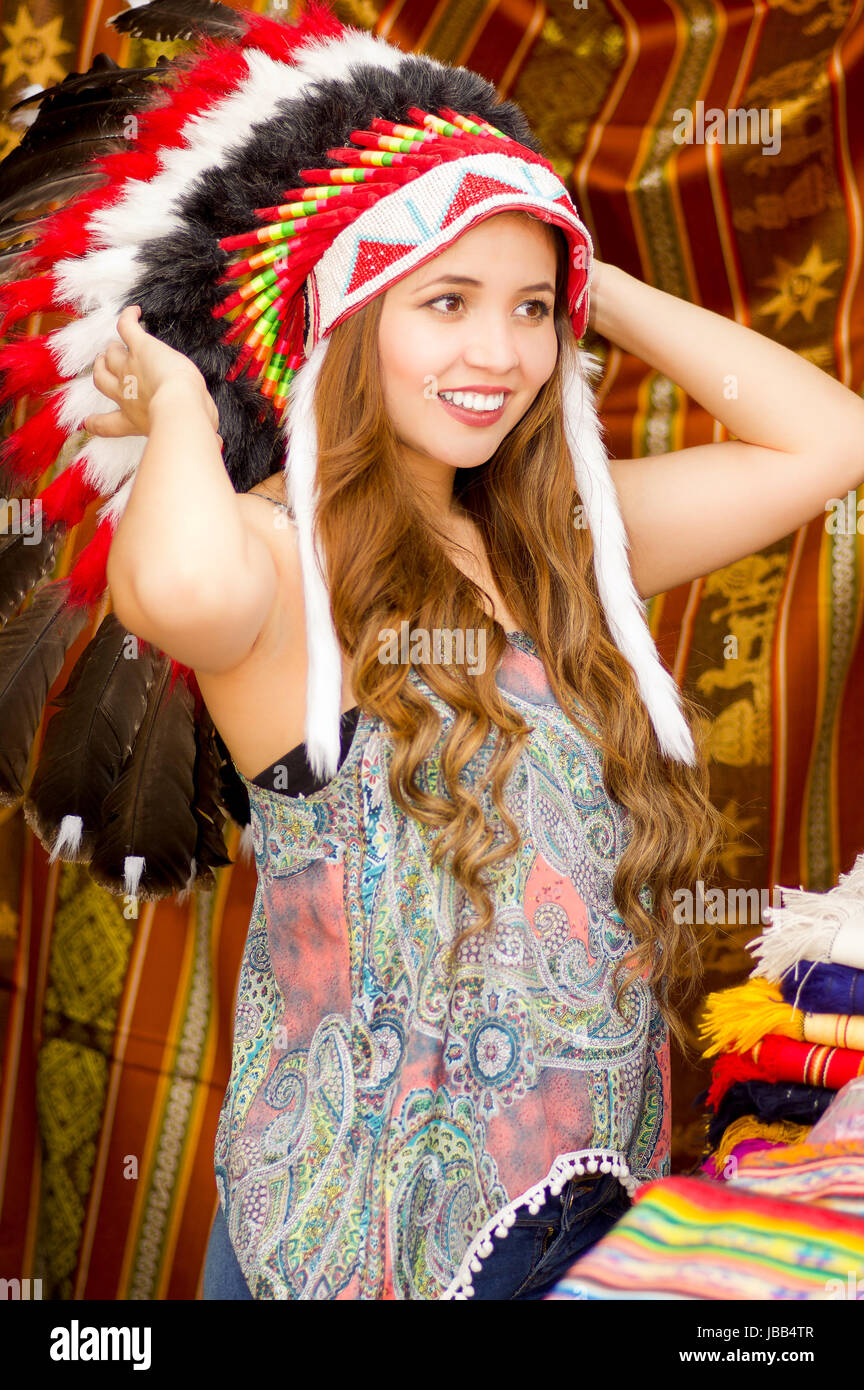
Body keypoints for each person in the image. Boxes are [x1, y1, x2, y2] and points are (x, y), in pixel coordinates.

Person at [4, 1, 864, 1300]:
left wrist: (589, 275)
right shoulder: (276, 557)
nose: (499, 351)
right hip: (359, 1242)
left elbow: (829, 441)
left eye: (528, 311)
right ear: (346, 323)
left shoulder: (568, 535)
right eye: (446, 302)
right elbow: (172, 584)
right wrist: (180, 399)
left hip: (582, 1234)